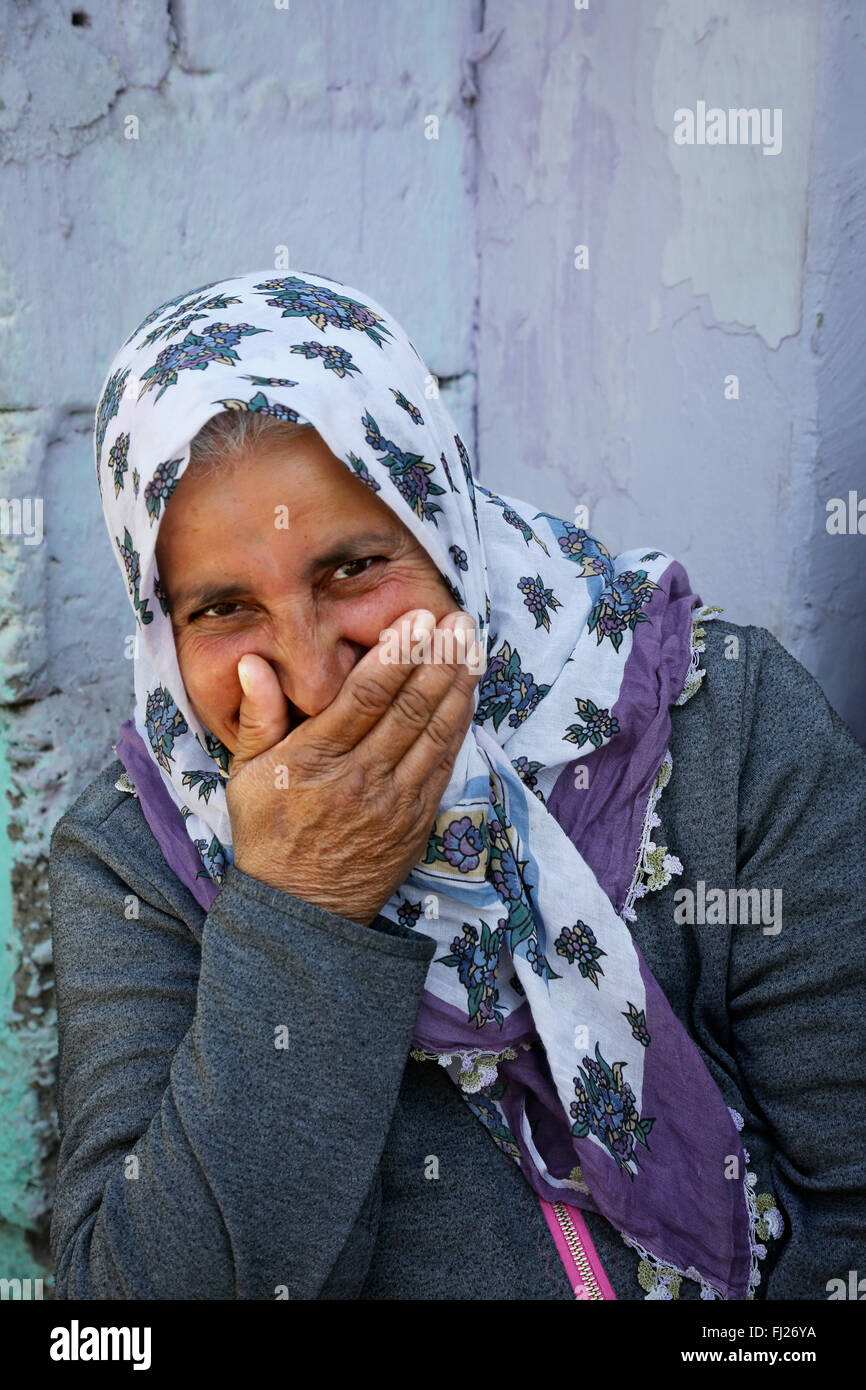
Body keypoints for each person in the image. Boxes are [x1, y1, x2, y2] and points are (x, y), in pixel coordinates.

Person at [48, 269, 866, 1301]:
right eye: (221, 608)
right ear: (161, 625)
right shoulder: (136, 861)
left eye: (351, 567)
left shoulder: (716, 722)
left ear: (444, 530)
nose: (308, 675)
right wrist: (300, 906)